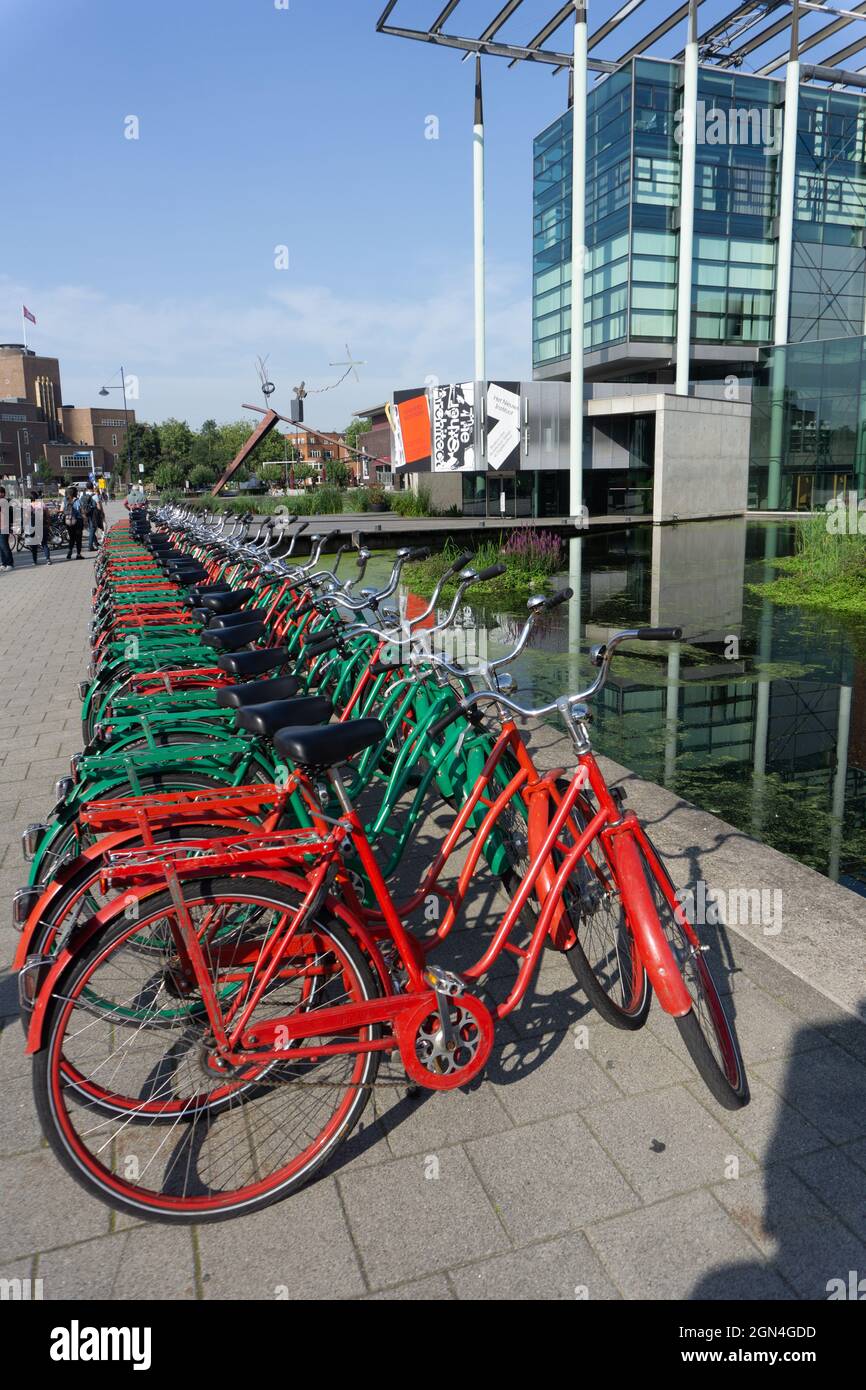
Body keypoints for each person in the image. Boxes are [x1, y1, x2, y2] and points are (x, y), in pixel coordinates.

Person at [25, 489, 52, 565]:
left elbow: (27, 518)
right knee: (44, 544)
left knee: (34, 544)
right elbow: (48, 515)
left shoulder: (29, 506)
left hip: (33, 527)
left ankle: (35, 561)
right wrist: (48, 524)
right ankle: (48, 559)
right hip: (43, 526)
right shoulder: (42, 504)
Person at [63, 485, 84, 560]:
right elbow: (81, 510)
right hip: (78, 521)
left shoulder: (65, 499)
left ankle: (69, 551)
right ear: (75, 493)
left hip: (68, 521)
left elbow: (62, 509)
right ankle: (78, 554)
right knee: (78, 538)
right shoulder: (77, 500)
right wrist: (85, 519)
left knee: (71, 538)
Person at [82, 482, 103, 551]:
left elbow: (80, 504)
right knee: (92, 529)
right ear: (92, 487)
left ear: (86, 487)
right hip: (93, 514)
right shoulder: (94, 495)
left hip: (85, 513)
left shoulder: (82, 494)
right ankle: (90, 546)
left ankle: (96, 543)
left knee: (91, 529)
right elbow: (99, 507)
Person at [0, 485, 14, 571]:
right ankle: (3, 563)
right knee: (1, 546)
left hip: (4, 526)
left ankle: (10, 563)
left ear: (3, 493)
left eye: (1, 492)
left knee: (4, 545)